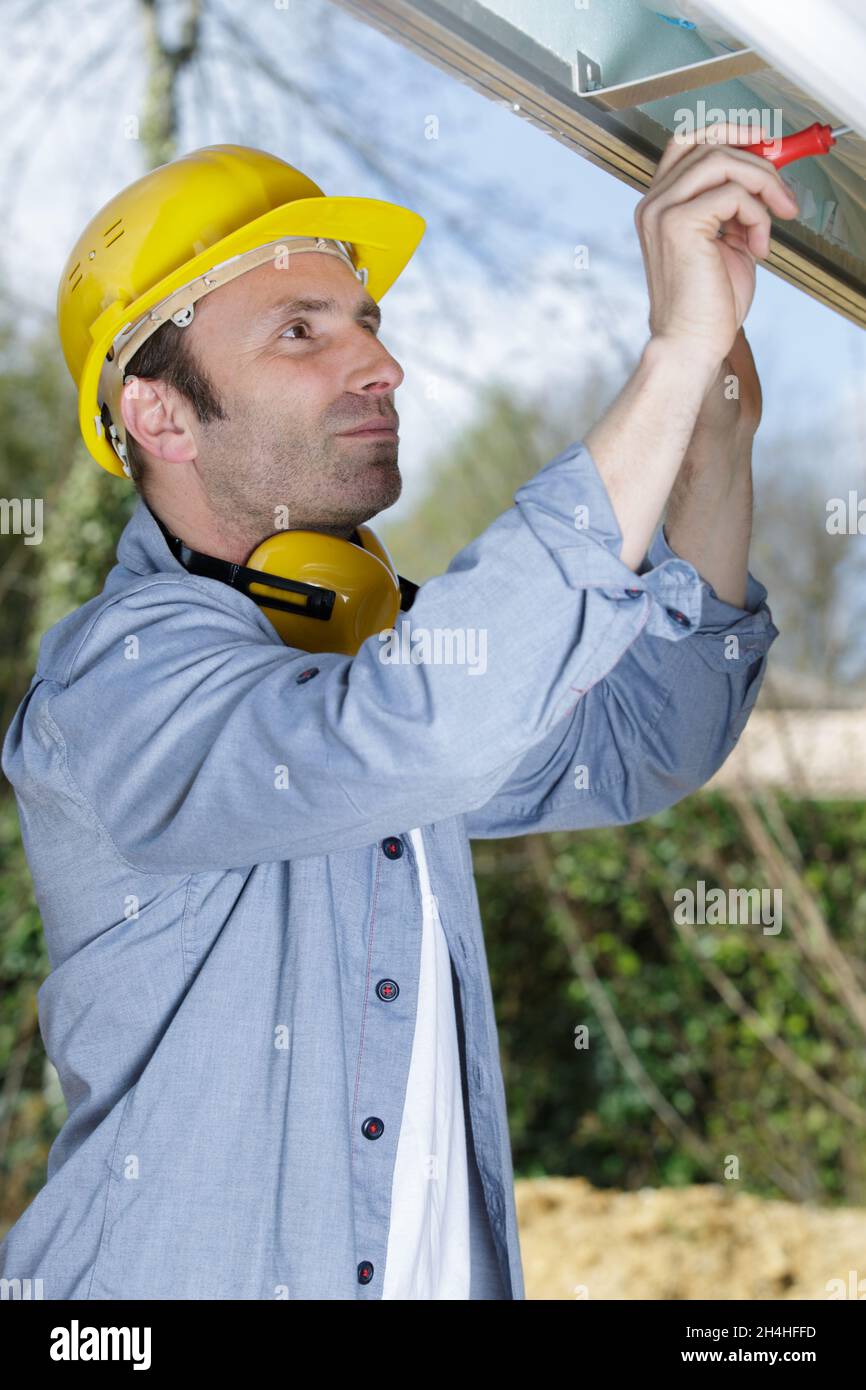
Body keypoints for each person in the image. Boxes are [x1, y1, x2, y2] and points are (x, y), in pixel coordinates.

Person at [0, 133, 783, 1300]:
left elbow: (642, 742)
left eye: (366, 320)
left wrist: (711, 433)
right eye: (300, 331)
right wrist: (669, 359)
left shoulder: (357, 651)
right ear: (160, 416)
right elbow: (425, 728)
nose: (380, 363)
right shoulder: (117, 682)